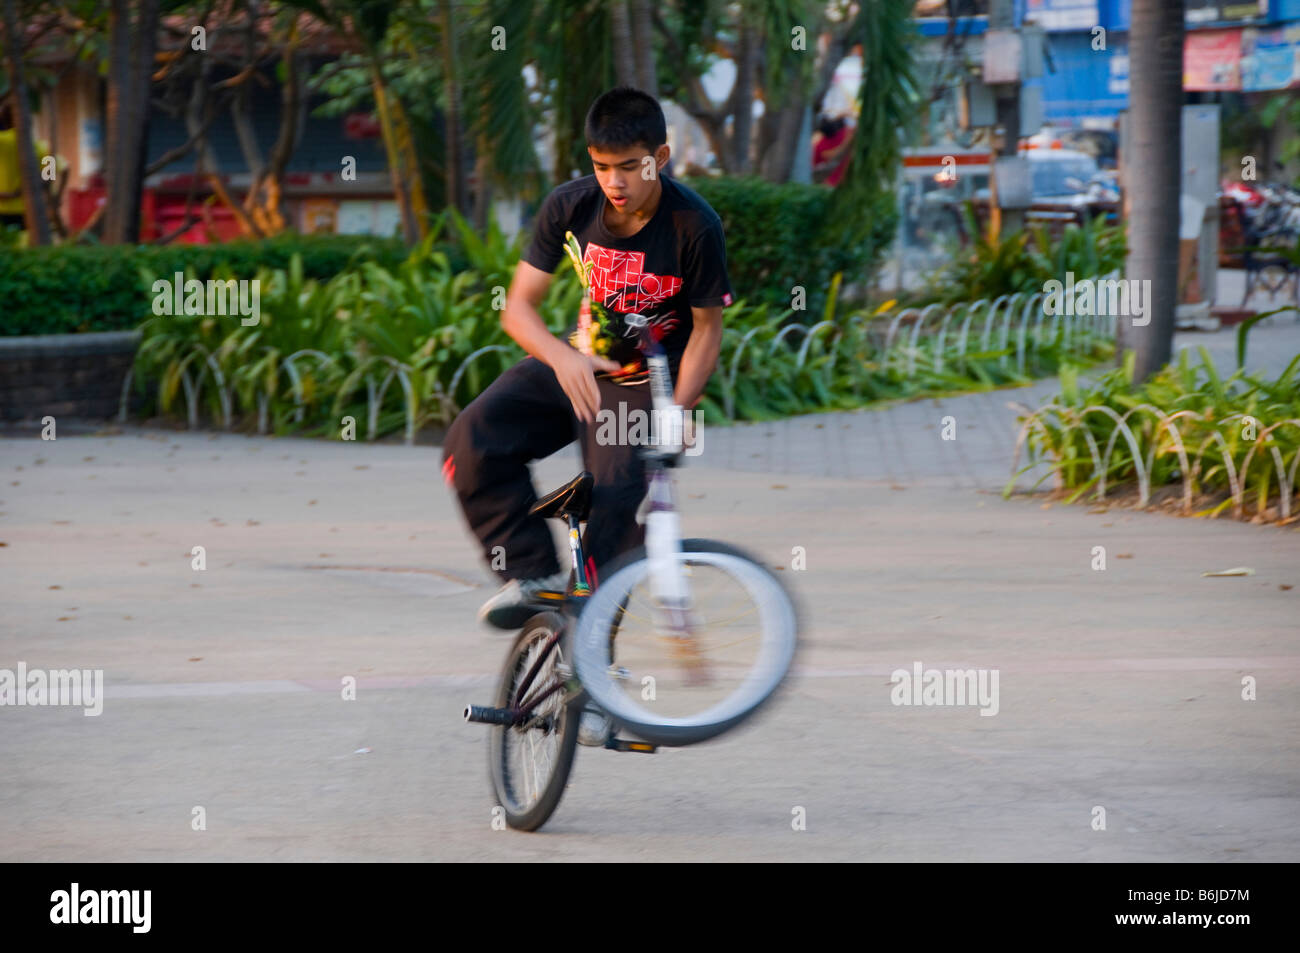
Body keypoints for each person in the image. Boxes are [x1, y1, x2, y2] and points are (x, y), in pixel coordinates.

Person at [442, 86, 734, 634]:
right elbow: (518, 309)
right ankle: (531, 574)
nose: (615, 183)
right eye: (602, 167)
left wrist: (677, 411)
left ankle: (594, 673)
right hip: (575, 364)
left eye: (629, 167)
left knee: (608, 511)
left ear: (660, 159)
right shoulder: (570, 205)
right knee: (473, 440)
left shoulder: (694, 226)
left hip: (644, 383)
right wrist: (561, 358)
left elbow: (705, 333)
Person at [812, 115, 853, 187]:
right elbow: (834, 155)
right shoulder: (820, 146)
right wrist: (847, 141)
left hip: (838, 166)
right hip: (824, 170)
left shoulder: (843, 132)